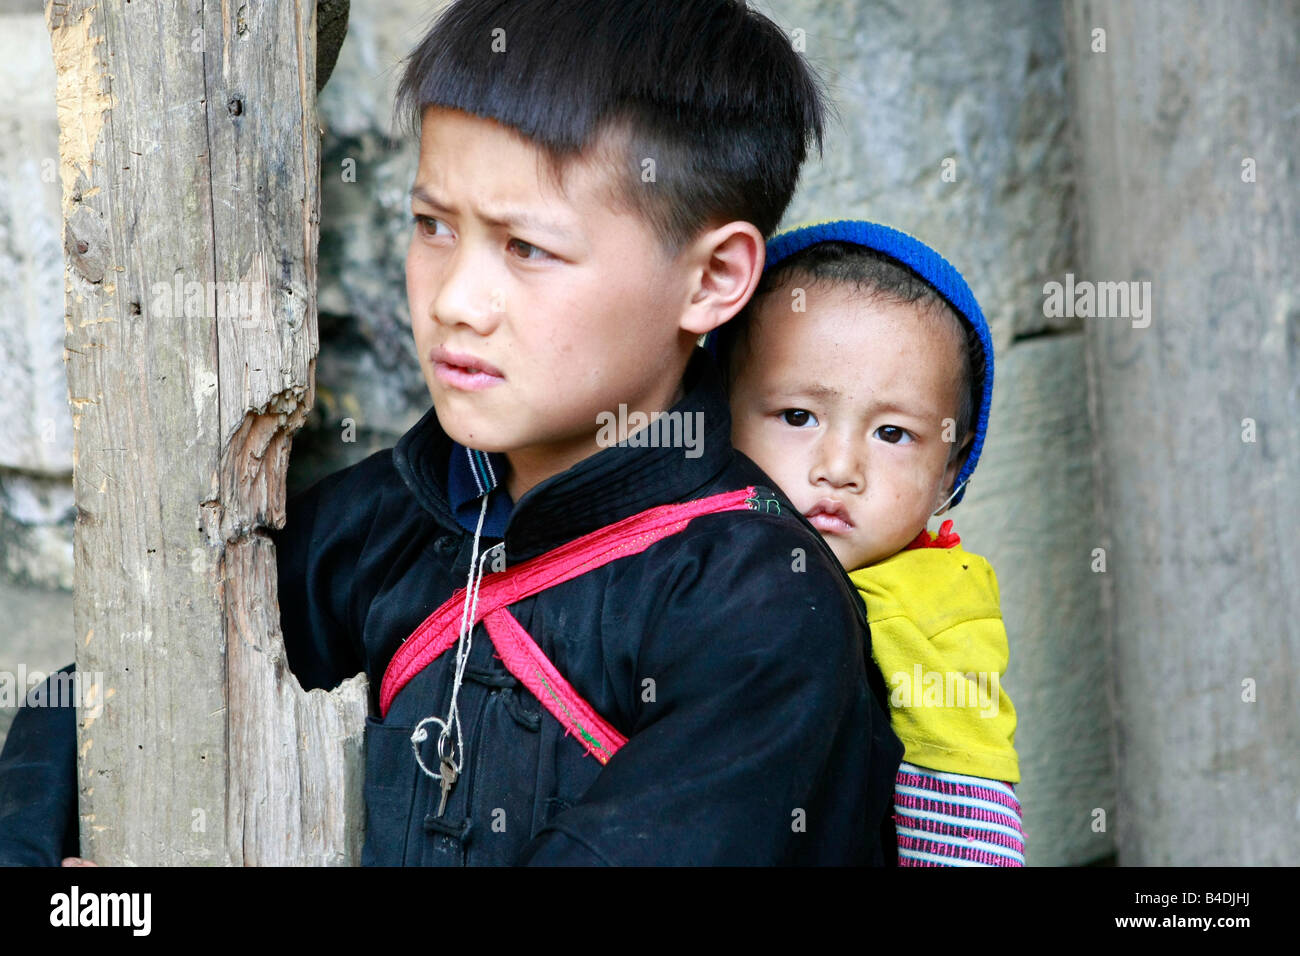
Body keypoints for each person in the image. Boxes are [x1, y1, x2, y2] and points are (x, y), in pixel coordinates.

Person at [0, 1, 902, 866]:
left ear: (711, 278)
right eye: (433, 226)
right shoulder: (404, 513)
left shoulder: (765, 613)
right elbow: (115, 689)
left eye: (526, 248)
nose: (454, 303)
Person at [711, 219, 1026, 866]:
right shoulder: (674, 554)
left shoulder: (935, 616)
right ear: (718, 417)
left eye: (892, 434)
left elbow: (968, 826)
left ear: (949, 470)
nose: (840, 465)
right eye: (797, 417)